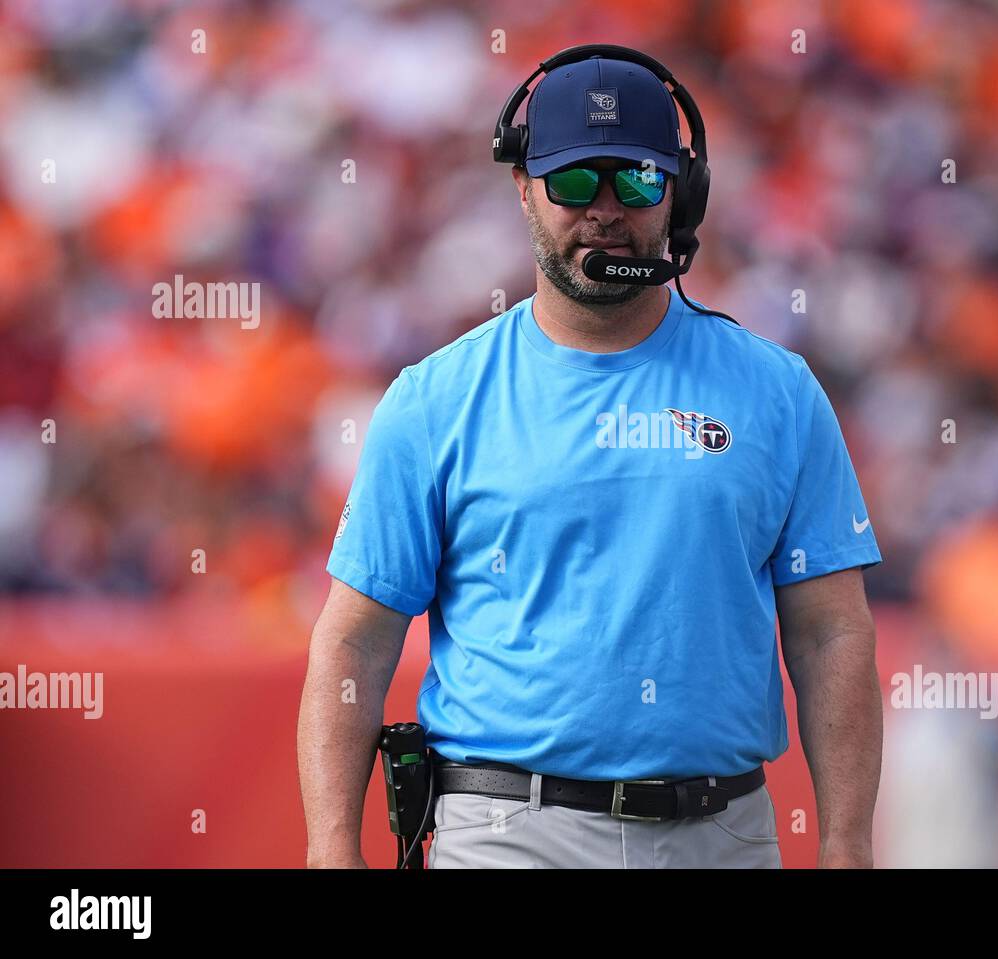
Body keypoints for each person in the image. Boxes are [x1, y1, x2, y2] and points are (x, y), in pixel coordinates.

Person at [297, 47, 884, 869]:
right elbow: (353, 642)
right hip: (508, 831)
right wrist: (330, 851)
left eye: (636, 181)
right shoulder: (434, 401)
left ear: (681, 192)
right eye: (574, 182)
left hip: (725, 833)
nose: (605, 209)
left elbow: (830, 634)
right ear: (522, 187)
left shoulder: (777, 393)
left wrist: (847, 845)